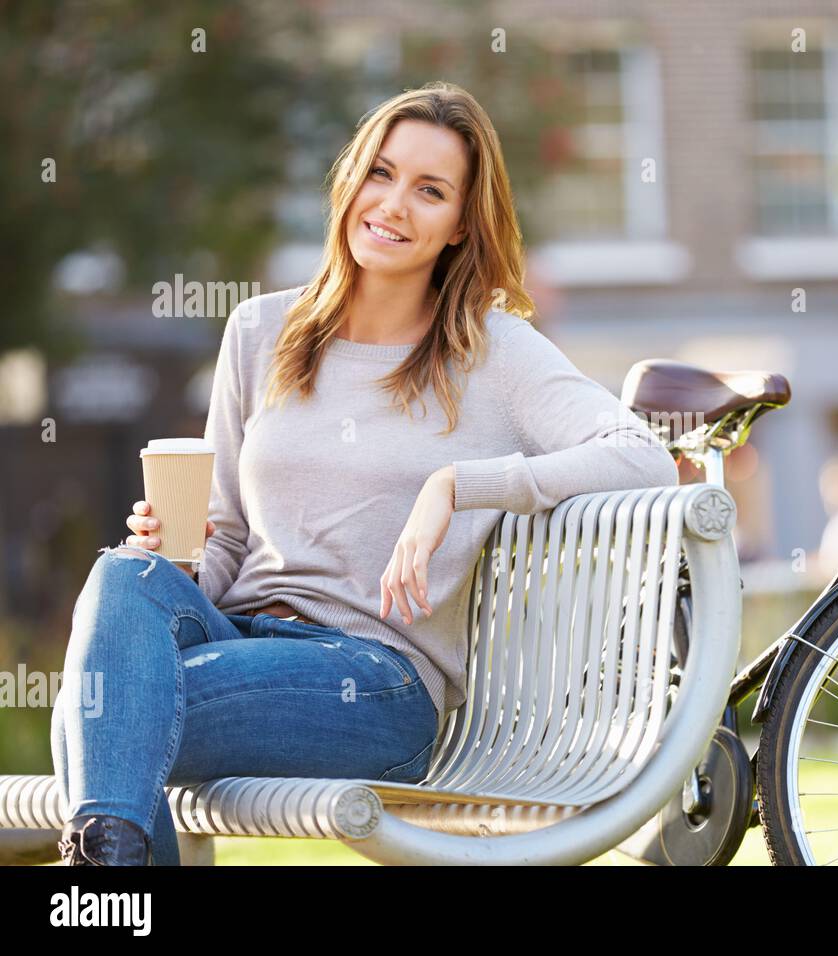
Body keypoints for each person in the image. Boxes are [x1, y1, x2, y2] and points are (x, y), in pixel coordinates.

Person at [51, 81, 680, 866]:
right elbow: (228, 545)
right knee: (122, 580)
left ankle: (101, 899)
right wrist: (172, 554)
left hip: (372, 683)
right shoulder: (260, 331)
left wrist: (459, 484)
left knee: (107, 710)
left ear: (460, 225)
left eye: (430, 191)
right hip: (238, 636)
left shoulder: (493, 351)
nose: (393, 204)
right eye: (380, 173)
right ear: (350, 179)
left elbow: (643, 453)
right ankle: (109, 874)